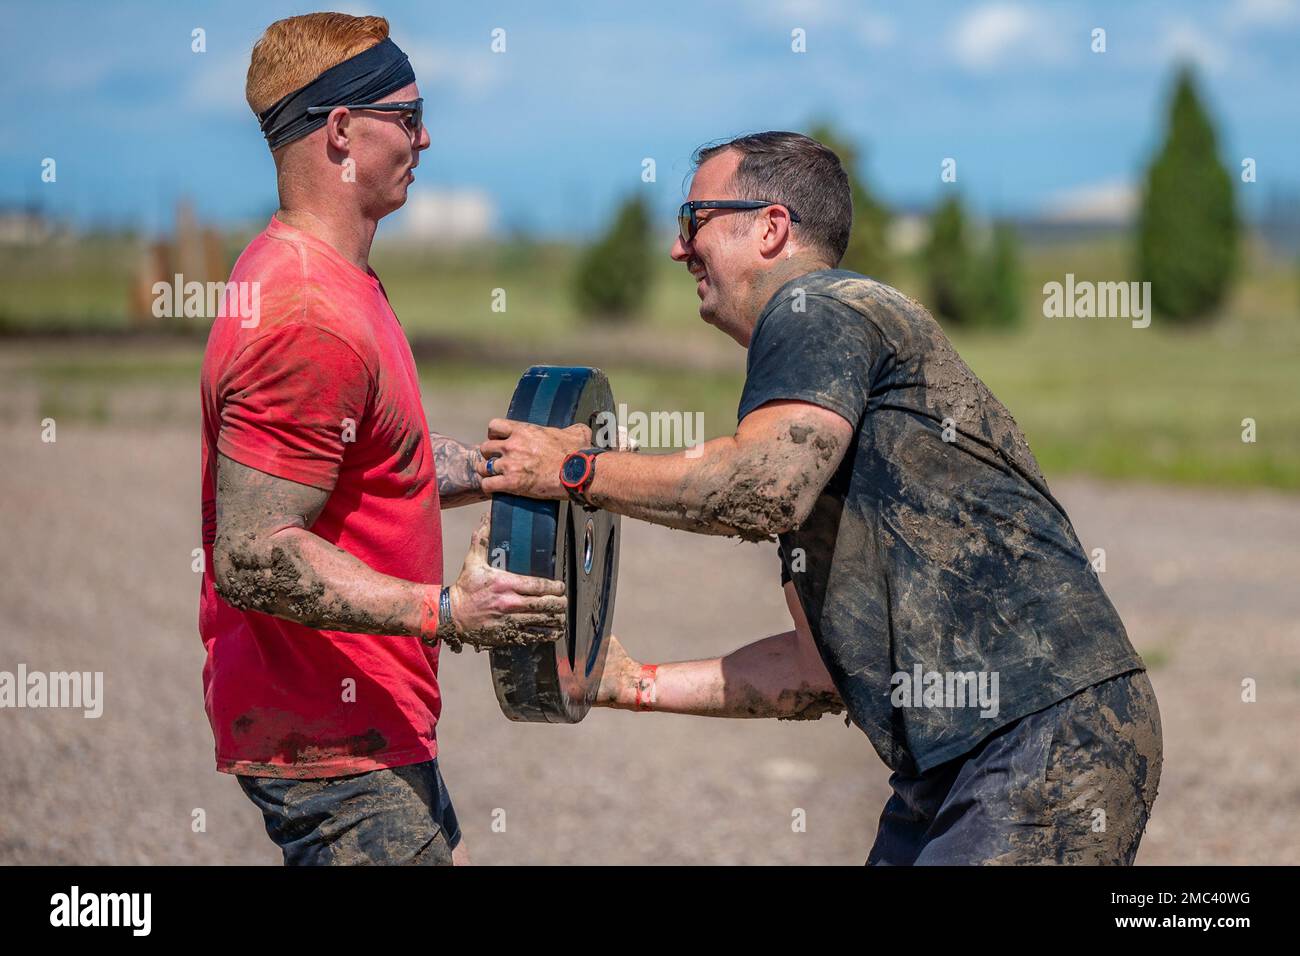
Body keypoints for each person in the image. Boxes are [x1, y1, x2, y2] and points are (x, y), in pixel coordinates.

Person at [477, 131, 1164, 865]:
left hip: (1038, 728)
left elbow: (762, 487)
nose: (679, 250)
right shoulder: (817, 391)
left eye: (693, 222)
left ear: (770, 227)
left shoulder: (819, 307)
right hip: (957, 758)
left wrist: (578, 472)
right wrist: (631, 683)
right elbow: (814, 672)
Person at [199, 12, 566, 866]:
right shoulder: (305, 313)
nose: (426, 137)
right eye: (408, 116)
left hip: (369, 719)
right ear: (340, 133)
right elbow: (253, 553)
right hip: (332, 743)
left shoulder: (334, 280)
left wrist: (511, 467)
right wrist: (445, 611)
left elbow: (377, 466)